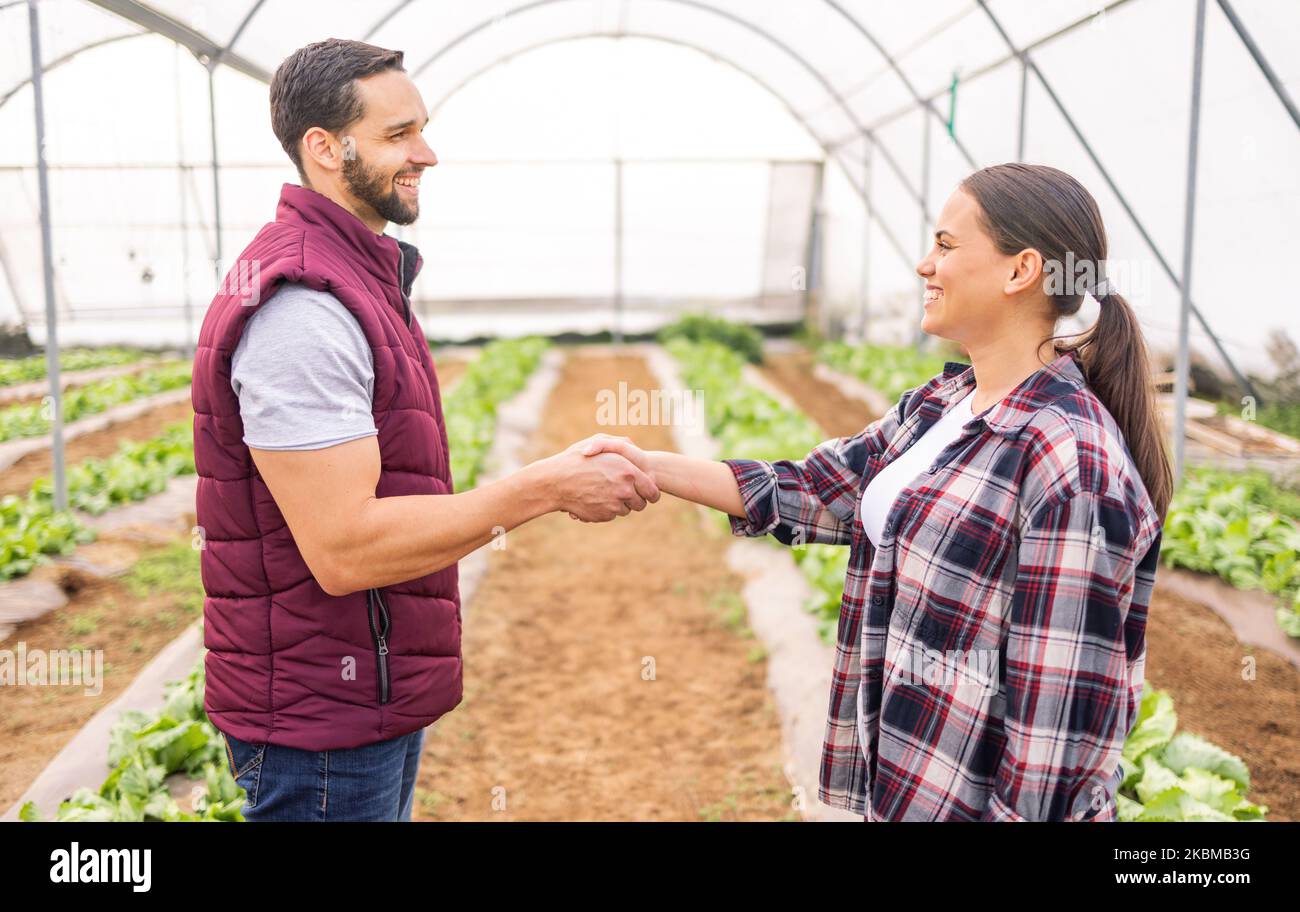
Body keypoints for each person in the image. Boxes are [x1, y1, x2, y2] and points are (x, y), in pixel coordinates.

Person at [585, 162, 1170, 821]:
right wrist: (648, 466)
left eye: (946, 245)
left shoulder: (1072, 466)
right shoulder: (941, 404)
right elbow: (816, 489)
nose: (925, 265)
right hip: (902, 789)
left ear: (1021, 270)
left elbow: (1052, 748)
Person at [193, 39, 656, 822]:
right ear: (325, 149)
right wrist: (546, 487)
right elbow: (346, 549)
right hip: (321, 721)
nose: (426, 154)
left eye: (423, 130)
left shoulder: (358, 277)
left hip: (363, 696)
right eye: (398, 134)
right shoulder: (303, 308)